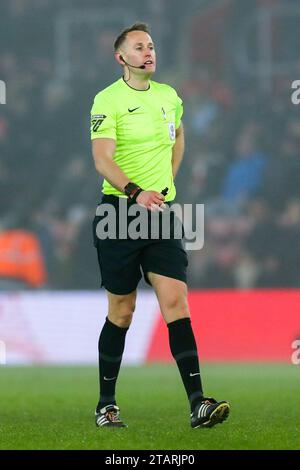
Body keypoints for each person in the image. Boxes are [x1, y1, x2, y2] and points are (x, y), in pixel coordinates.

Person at [90, 22, 230, 429]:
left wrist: (166, 183)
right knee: (122, 310)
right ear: (122, 58)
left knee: (177, 302)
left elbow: (179, 136)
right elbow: (103, 160)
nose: (148, 52)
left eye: (151, 46)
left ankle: (198, 403)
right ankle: (106, 405)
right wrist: (137, 193)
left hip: (160, 213)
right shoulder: (107, 100)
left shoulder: (170, 97)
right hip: (119, 213)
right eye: (138, 47)